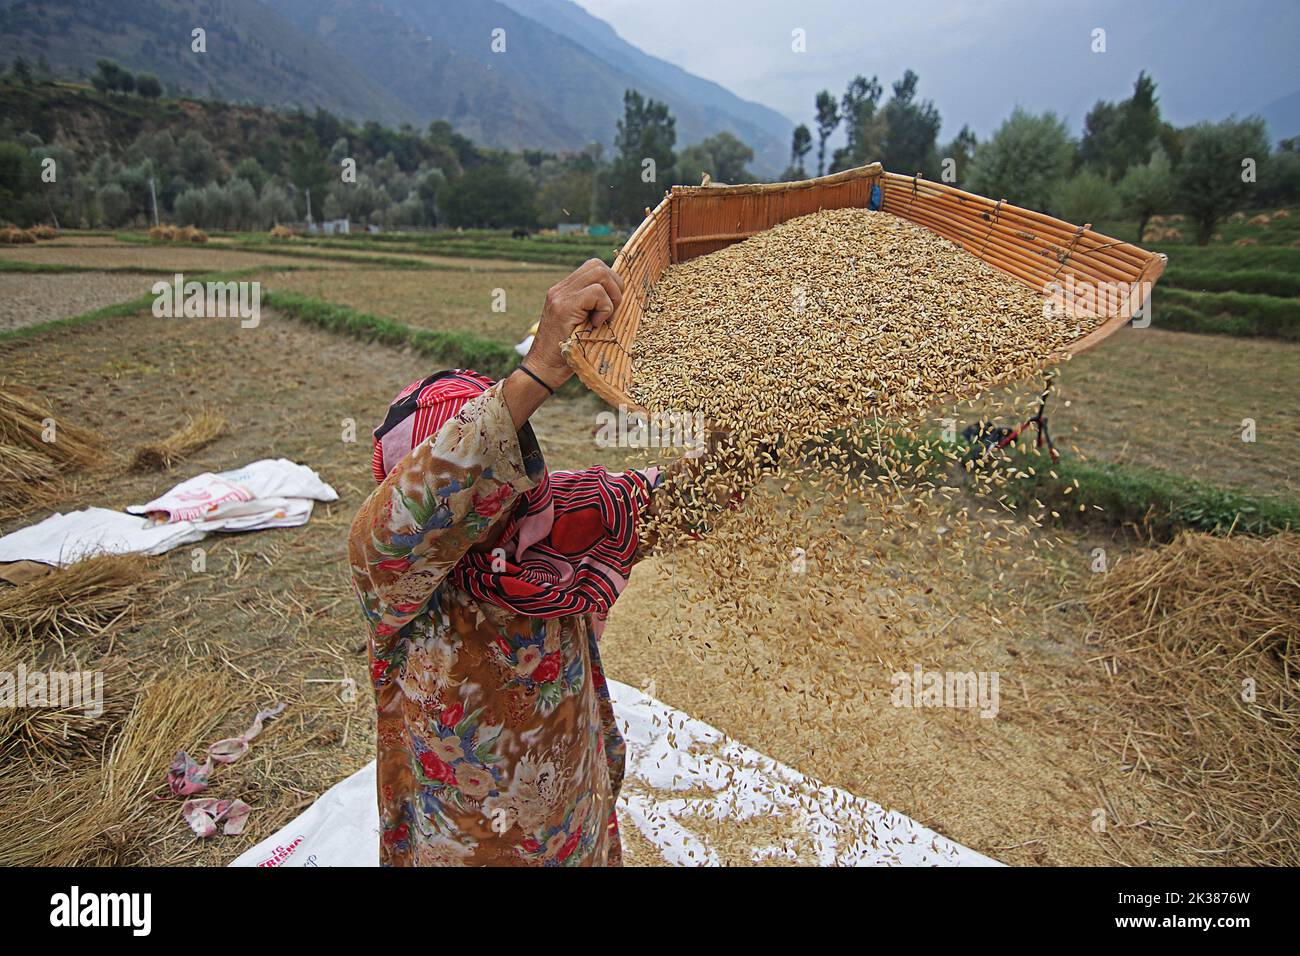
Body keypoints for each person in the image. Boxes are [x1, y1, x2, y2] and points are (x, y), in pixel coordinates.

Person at [348, 259, 722, 866]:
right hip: (469, 841)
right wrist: (542, 368)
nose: (497, 486)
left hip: (575, 812)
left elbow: (678, 503)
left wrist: (762, 424)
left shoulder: (544, 526)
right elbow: (420, 505)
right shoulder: (393, 570)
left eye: (510, 454)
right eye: (481, 461)